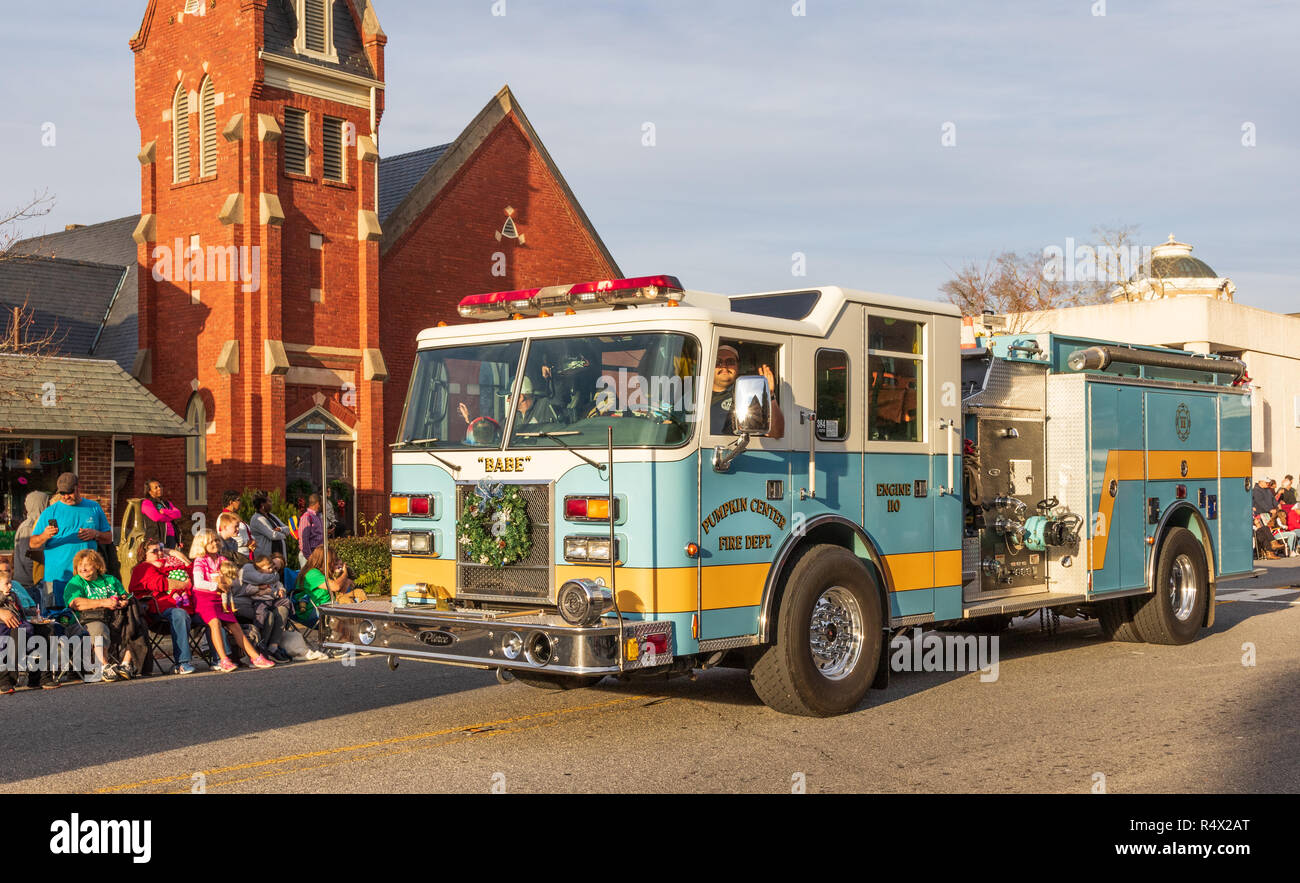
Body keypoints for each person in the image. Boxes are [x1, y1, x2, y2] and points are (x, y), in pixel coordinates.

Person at [189, 529, 275, 672]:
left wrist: (227, 583)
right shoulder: (200, 561)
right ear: (202, 544)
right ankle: (223, 659)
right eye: (210, 541)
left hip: (221, 599)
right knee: (215, 623)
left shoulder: (222, 560)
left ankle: (255, 656)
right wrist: (216, 584)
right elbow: (198, 583)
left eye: (216, 540)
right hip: (204, 599)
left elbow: (233, 579)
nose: (215, 543)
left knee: (234, 625)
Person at [29, 473, 113, 610]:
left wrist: (95, 533)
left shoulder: (94, 508)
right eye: (62, 493)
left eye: (69, 492)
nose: (66, 496)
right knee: (56, 620)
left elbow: (109, 537)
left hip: (87, 577)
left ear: (78, 487)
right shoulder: (50, 511)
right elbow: (32, 543)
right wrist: (45, 535)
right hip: (57, 577)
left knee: (86, 619)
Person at [64, 549, 145, 682]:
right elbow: (76, 603)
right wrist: (104, 602)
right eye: (80, 565)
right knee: (99, 627)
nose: (83, 568)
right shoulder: (76, 582)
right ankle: (103, 666)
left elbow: (124, 595)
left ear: (97, 565)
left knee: (136, 622)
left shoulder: (110, 579)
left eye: (87, 564)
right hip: (85, 621)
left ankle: (125, 664)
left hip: (114, 619)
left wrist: (122, 601)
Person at [128, 538, 201, 675]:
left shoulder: (170, 565)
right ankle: (182, 663)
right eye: (154, 551)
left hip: (187, 608)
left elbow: (194, 573)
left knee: (213, 616)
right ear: (144, 555)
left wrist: (176, 553)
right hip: (158, 613)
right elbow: (161, 584)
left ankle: (221, 658)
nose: (160, 553)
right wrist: (184, 585)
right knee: (179, 614)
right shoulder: (143, 568)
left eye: (161, 549)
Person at [708, 344, 785, 438]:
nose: (724, 366)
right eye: (718, 362)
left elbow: (775, 434)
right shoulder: (695, 395)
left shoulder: (748, 393)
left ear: (738, 366)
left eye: (730, 362)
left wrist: (770, 394)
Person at [0, 572, 59, 692]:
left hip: (20, 622)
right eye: (7, 583)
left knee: (46, 628)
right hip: (5, 628)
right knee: (18, 632)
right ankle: (6, 680)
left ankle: (40, 676)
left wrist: (37, 616)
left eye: (10, 582)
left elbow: (23, 611)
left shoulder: (14, 593)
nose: (10, 585)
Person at [236, 556, 294, 663]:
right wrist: (259, 590)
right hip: (258, 602)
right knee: (267, 615)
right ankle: (261, 647)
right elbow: (247, 588)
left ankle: (273, 647)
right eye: (271, 567)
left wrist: (281, 589)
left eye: (276, 569)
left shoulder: (272, 576)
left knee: (283, 608)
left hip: (272, 599)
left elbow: (278, 584)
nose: (273, 570)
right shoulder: (252, 573)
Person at [294, 545, 356, 626]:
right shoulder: (312, 573)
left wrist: (346, 581)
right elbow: (336, 587)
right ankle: (343, 636)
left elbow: (341, 591)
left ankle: (347, 635)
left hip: (326, 606)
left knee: (358, 602)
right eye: (332, 560)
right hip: (312, 610)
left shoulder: (322, 572)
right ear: (325, 561)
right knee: (345, 608)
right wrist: (344, 573)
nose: (334, 563)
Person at [12, 490, 50, 608]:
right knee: (33, 619)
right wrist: (49, 560)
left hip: (32, 583)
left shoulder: (38, 524)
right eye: (46, 504)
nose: (49, 507)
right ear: (40, 505)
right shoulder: (28, 526)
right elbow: (26, 556)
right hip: (28, 585)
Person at [140, 479, 183, 549]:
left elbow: (178, 514)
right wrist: (171, 517)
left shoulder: (167, 503)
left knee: (170, 558)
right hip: (157, 538)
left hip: (171, 537)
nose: (159, 488)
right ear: (149, 491)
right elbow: (157, 517)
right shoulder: (147, 503)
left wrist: (165, 511)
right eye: (156, 487)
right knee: (161, 557)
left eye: (160, 486)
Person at [249, 495, 290, 560]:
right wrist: (284, 535)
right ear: (262, 505)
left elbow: (288, 528)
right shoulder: (257, 518)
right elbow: (272, 535)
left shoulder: (271, 516)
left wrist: (280, 529)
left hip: (279, 555)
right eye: (269, 501)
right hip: (265, 558)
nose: (272, 503)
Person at [298, 494, 324, 562]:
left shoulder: (317, 516)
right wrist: (309, 557)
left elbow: (316, 533)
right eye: (322, 503)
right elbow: (303, 540)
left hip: (317, 555)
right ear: (318, 503)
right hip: (309, 556)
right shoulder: (307, 517)